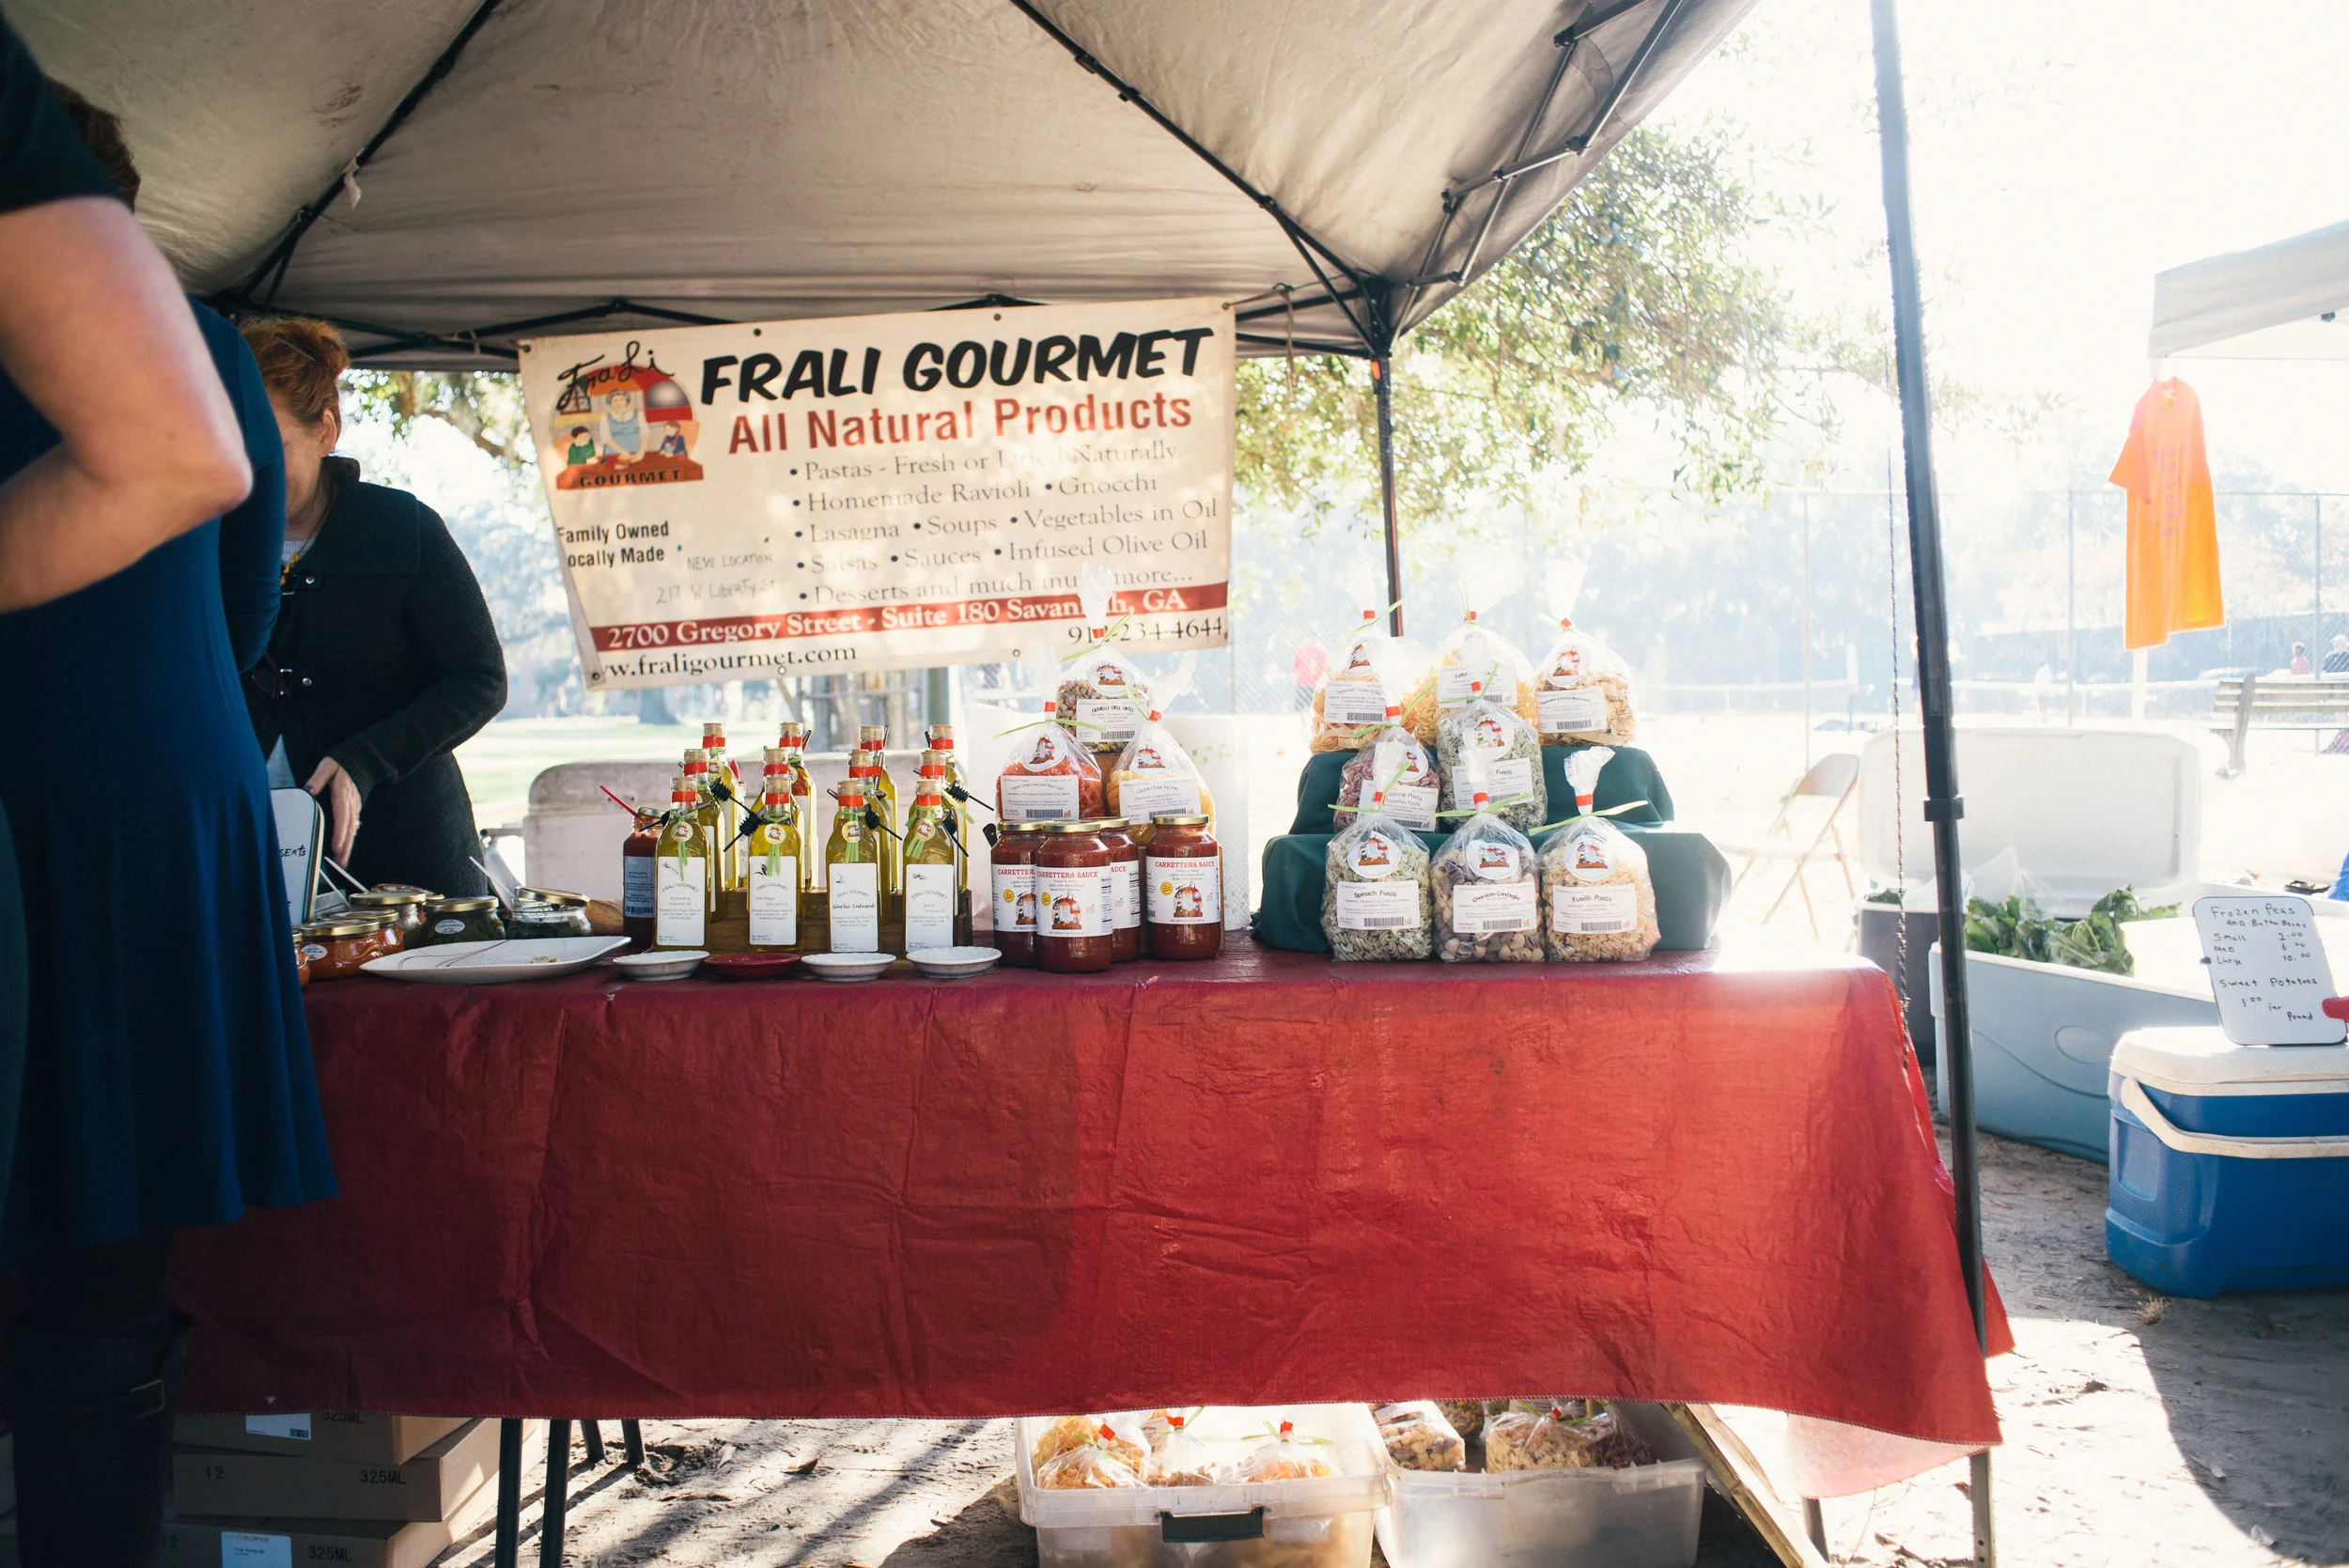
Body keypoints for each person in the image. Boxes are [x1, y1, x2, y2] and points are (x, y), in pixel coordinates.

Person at [3, 61, 334, 1565]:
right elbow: (246, 606)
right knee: (107, 1239)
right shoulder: (201, 347)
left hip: (54, 772)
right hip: (151, 790)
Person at [240, 318, 507, 893]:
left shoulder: (403, 528)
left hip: (406, 849)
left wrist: (366, 759)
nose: (251, 472)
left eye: (272, 448)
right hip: (246, 848)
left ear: (325, 432)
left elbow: (479, 680)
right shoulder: (203, 540)